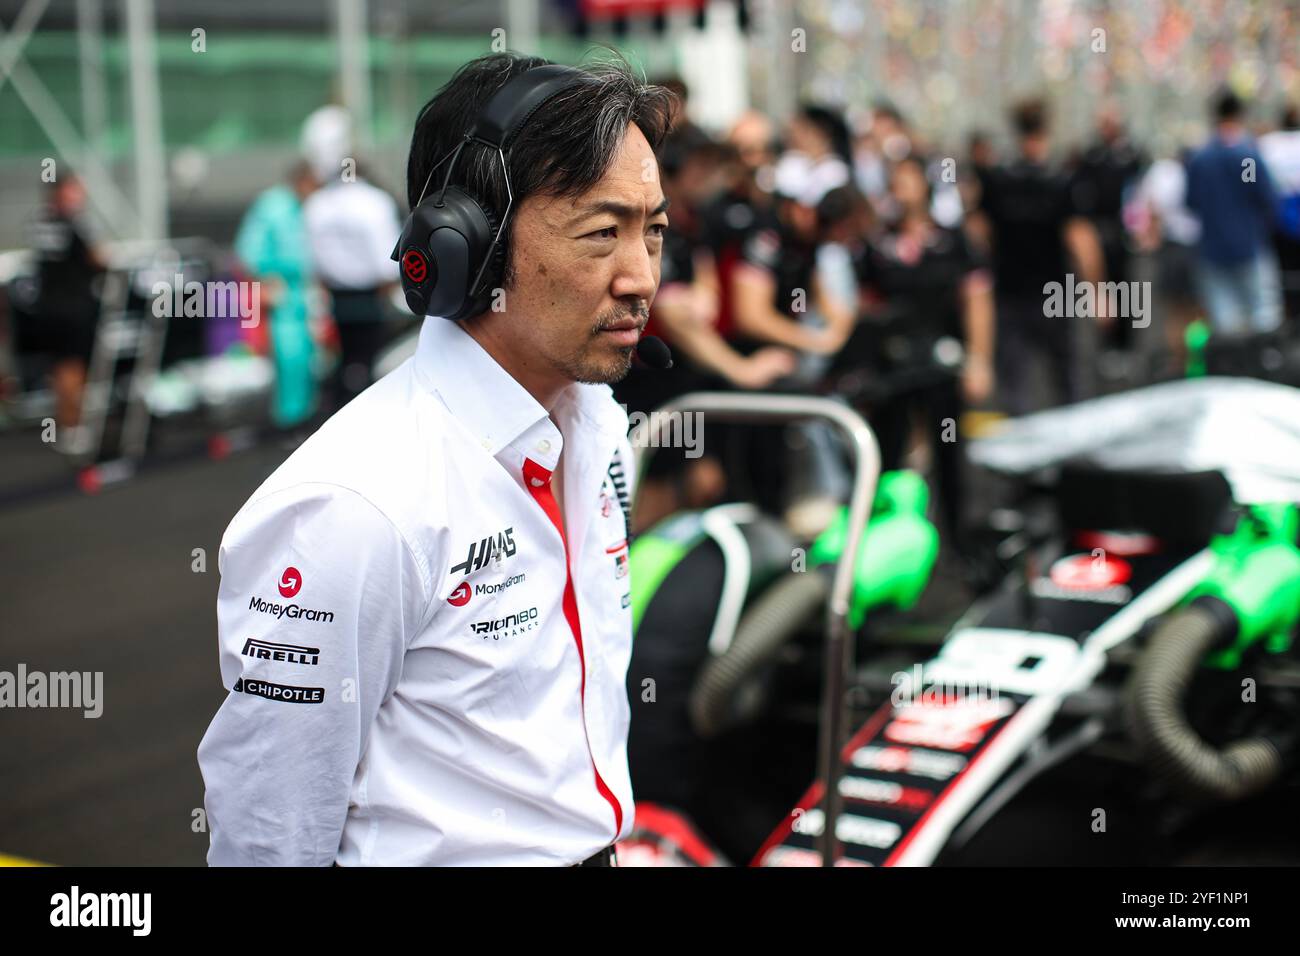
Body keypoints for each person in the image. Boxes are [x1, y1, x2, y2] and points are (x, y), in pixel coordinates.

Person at [197, 52, 675, 866]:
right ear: (469, 248)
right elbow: (269, 836)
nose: (641, 277)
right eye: (603, 234)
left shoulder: (594, 426)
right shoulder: (355, 506)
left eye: (654, 231)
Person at [853, 155, 994, 548]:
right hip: (894, 367)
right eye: (895, 181)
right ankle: (884, 543)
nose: (903, 188)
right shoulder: (876, 245)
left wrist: (979, 359)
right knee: (888, 456)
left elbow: (977, 300)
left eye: (910, 180)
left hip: (942, 364)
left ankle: (959, 545)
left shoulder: (953, 241)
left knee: (950, 457)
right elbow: (865, 307)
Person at [973, 98, 1107, 415]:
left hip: (1015, 291)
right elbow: (1081, 239)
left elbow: (979, 234)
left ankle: (1025, 453)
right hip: (1049, 293)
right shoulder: (1061, 180)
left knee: (1017, 383)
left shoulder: (997, 180)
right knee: (1065, 381)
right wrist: (1098, 292)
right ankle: (1069, 450)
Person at [302, 149, 403, 411]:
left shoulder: (318, 204)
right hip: (371, 295)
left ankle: (340, 405)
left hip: (335, 295)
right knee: (369, 359)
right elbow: (386, 259)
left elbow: (312, 255)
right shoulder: (375, 202)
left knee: (344, 357)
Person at [1185, 90, 1282, 335]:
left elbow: (1192, 202)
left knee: (1225, 322)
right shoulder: (1245, 157)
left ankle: (1232, 365)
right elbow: (1261, 196)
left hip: (1212, 249)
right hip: (1247, 245)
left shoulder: (1200, 159)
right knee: (1263, 316)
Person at [233, 161, 320, 432]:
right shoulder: (273, 206)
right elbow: (248, 251)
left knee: (307, 358)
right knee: (290, 357)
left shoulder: (302, 207)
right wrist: (264, 282)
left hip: (302, 293)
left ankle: (304, 416)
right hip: (282, 291)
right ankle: (290, 421)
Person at [26, 173, 106, 453]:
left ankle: (69, 425)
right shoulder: (74, 224)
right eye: (74, 190)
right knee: (73, 369)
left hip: (48, 308)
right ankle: (74, 428)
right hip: (72, 309)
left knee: (61, 369)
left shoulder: (40, 222)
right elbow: (98, 260)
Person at [1259, 104, 1300, 322]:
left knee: (1282, 277)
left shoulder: (1267, 145)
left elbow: (1249, 176)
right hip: (1282, 217)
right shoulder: (1268, 144)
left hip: (1279, 220)